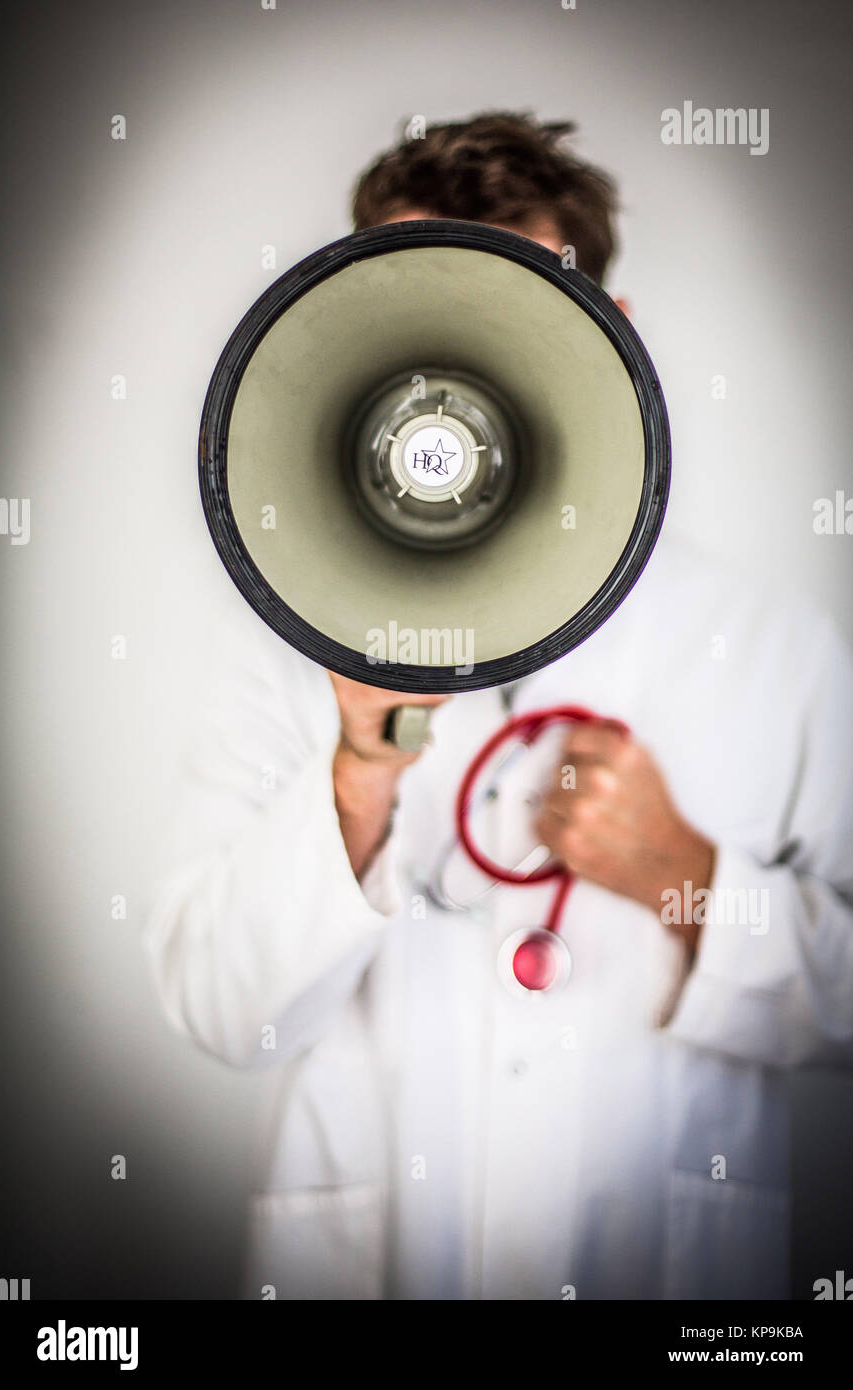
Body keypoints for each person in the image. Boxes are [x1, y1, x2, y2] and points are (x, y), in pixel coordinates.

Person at [143, 113, 853, 1300]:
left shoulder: (769, 647)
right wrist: (356, 776)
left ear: (610, 340)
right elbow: (220, 1010)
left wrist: (684, 874)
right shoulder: (283, 651)